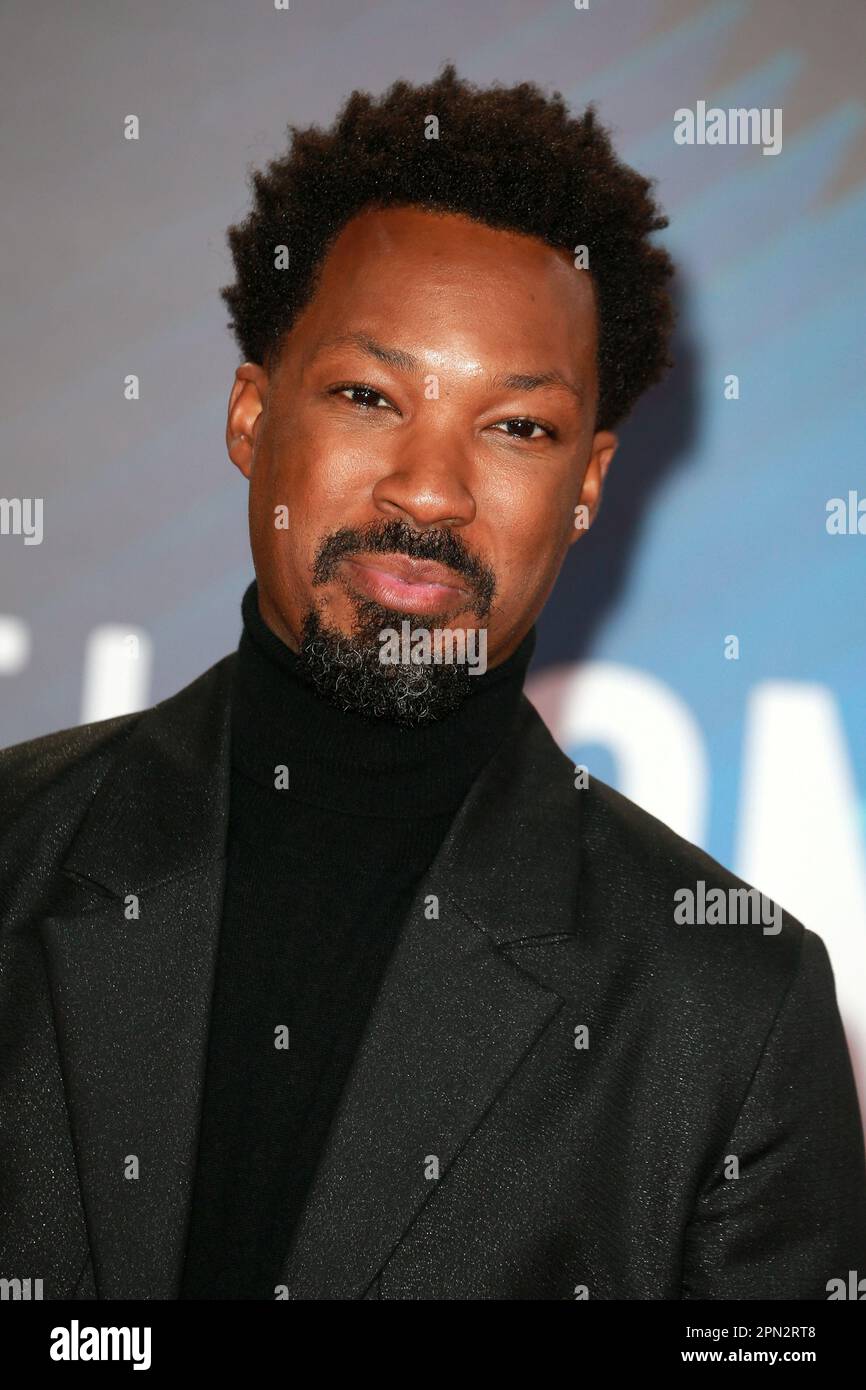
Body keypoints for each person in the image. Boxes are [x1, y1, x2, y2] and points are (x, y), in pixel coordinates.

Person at [1, 64, 864, 1301]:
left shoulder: (726, 1007)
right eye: (368, 396)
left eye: (515, 426)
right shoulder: (14, 849)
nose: (426, 490)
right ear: (251, 415)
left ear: (588, 483)